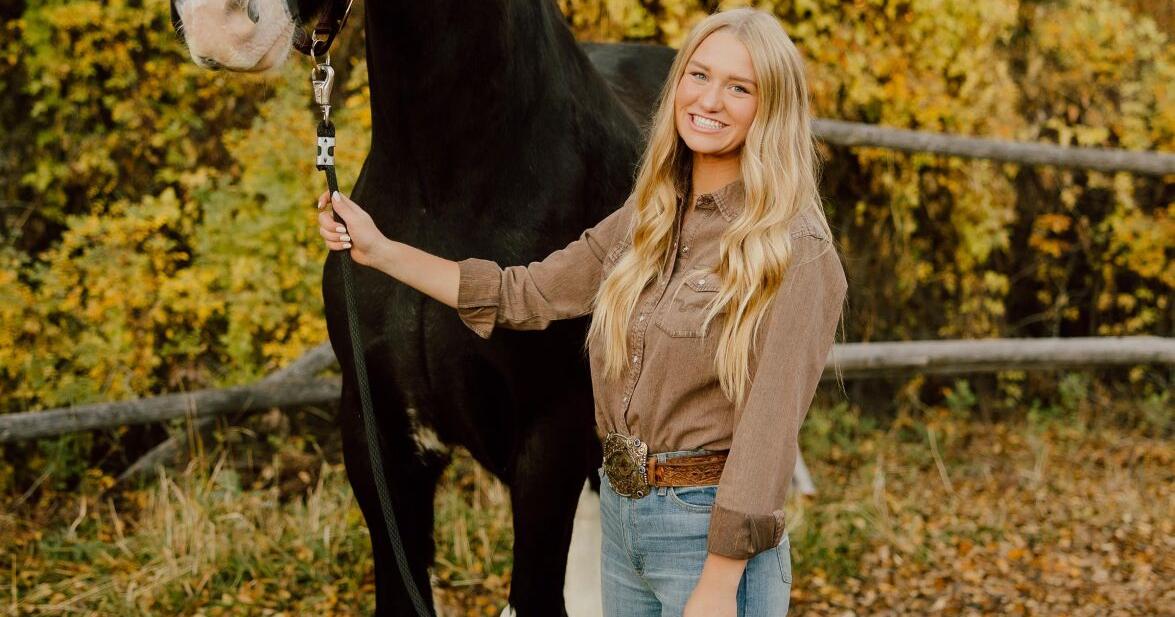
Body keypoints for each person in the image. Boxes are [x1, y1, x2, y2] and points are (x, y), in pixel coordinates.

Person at [315, 8, 845, 616]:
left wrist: (721, 582)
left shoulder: (796, 249)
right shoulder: (649, 216)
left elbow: (767, 435)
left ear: (771, 108)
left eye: (739, 87)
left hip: (705, 539)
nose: (709, 100)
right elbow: (524, 294)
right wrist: (382, 251)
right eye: (698, 75)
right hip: (625, 526)